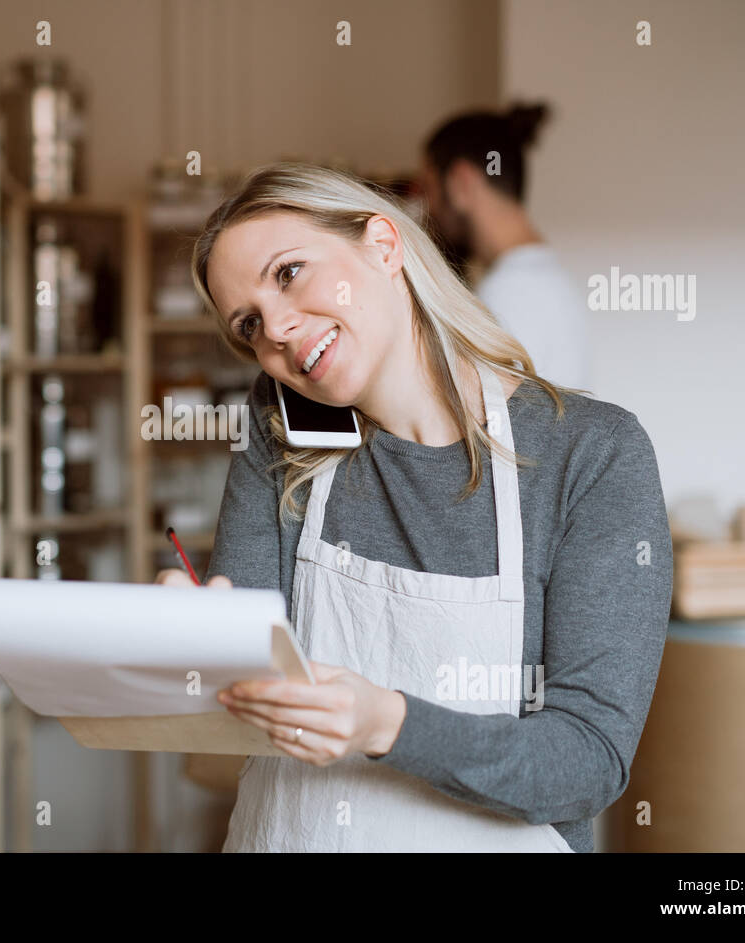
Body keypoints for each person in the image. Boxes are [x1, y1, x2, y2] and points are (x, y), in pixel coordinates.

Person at [156, 162, 671, 853]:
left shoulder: (594, 453)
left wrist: (385, 724)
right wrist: (201, 638)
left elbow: (586, 761)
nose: (274, 329)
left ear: (383, 245)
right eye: (248, 323)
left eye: (288, 273)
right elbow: (249, 693)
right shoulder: (279, 432)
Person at [421, 103, 590, 390]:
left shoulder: (509, 292)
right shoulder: (544, 277)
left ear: (461, 182)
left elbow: (492, 423)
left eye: (429, 189)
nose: (429, 209)